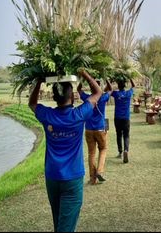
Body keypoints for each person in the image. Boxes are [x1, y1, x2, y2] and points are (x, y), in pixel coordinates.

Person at [28, 69, 102, 233]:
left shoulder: (47, 115)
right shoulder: (79, 114)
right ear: (74, 96)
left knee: (59, 223)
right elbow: (98, 92)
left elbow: (32, 104)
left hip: (52, 177)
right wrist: (85, 74)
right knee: (65, 227)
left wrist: (39, 81)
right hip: (72, 179)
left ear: (54, 97)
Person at [77, 79, 112, 185]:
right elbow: (110, 89)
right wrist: (107, 80)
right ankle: (100, 171)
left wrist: (83, 79)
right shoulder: (103, 97)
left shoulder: (87, 98)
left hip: (88, 129)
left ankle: (92, 179)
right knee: (103, 149)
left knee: (91, 153)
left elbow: (78, 89)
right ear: (98, 87)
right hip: (100, 129)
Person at [111, 78, 135, 164]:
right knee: (126, 135)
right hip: (126, 118)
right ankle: (126, 150)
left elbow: (108, 90)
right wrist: (130, 78)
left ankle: (120, 152)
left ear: (118, 86)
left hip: (117, 118)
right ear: (125, 86)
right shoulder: (128, 93)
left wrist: (110, 81)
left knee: (118, 135)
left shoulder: (116, 94)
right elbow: (134, 86)